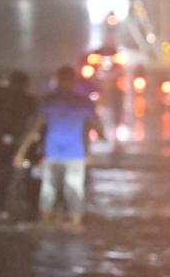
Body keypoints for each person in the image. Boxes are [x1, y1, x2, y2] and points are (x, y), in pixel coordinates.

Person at [13, 65, 104, 230]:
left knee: (48, 190)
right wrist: (101, 138)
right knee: (74, 190)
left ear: (58, 79)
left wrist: (21, 151)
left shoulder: (49, 101)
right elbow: (96, 125)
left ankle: (45, 224)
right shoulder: (83, 103)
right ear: (73, 80)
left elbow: (35, 128)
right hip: (75, 154)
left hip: (52, 153)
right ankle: (75, 224)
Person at [0, 70, 37, 217]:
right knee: (19, 174)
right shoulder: (28, 99)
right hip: (18, 141)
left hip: (0, 139)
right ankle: (25, 206)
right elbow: (33, 121)